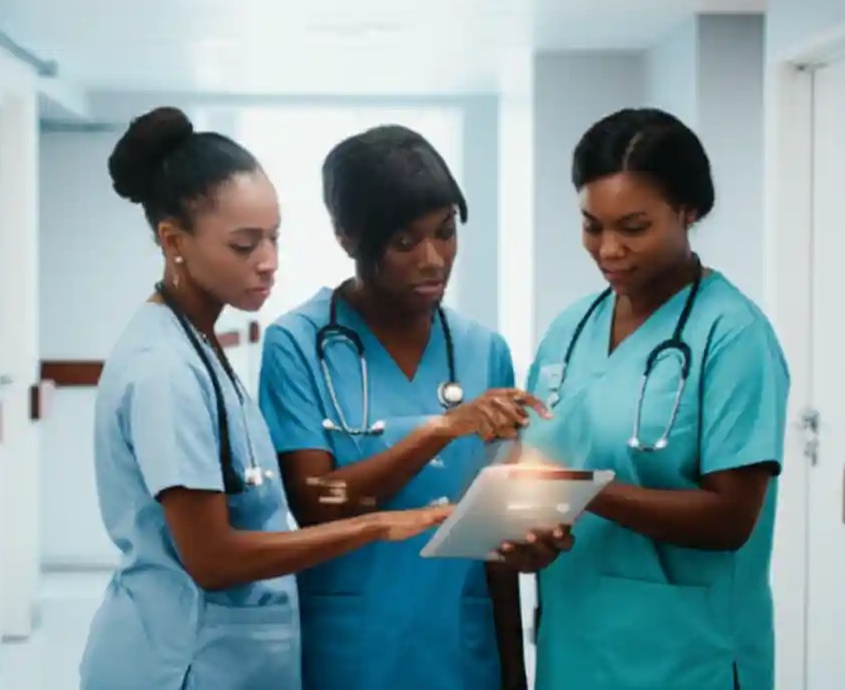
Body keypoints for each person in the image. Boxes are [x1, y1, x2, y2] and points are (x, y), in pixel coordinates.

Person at [78, 108, 453, 690]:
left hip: (220, 657)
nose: (268, 261)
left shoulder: (198, 345)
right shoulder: (165, 370)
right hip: (181, 661)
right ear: (173, 241)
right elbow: (214, 558)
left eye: (274, 237)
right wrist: (375, 526)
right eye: (244, 244)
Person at [257, 124, 571, 690]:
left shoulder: (483, 352)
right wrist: (441, 430)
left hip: (462, 653)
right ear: (347, 236)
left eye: (446, 233)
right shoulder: (299, 344)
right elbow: (316, 501)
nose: (433, 259)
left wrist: (514, 678)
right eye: (405, 243)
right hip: (348, 656)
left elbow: (497, 539)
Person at [519, 108, 790, 690]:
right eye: (592, 225)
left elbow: (730, 518)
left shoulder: (733, 334)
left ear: (687, 211)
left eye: (634, 227)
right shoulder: (570, 328)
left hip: (687, 656)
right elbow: (534, 470)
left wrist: (584, 490)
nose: (608, 249)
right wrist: (524, 534)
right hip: (575, 647)